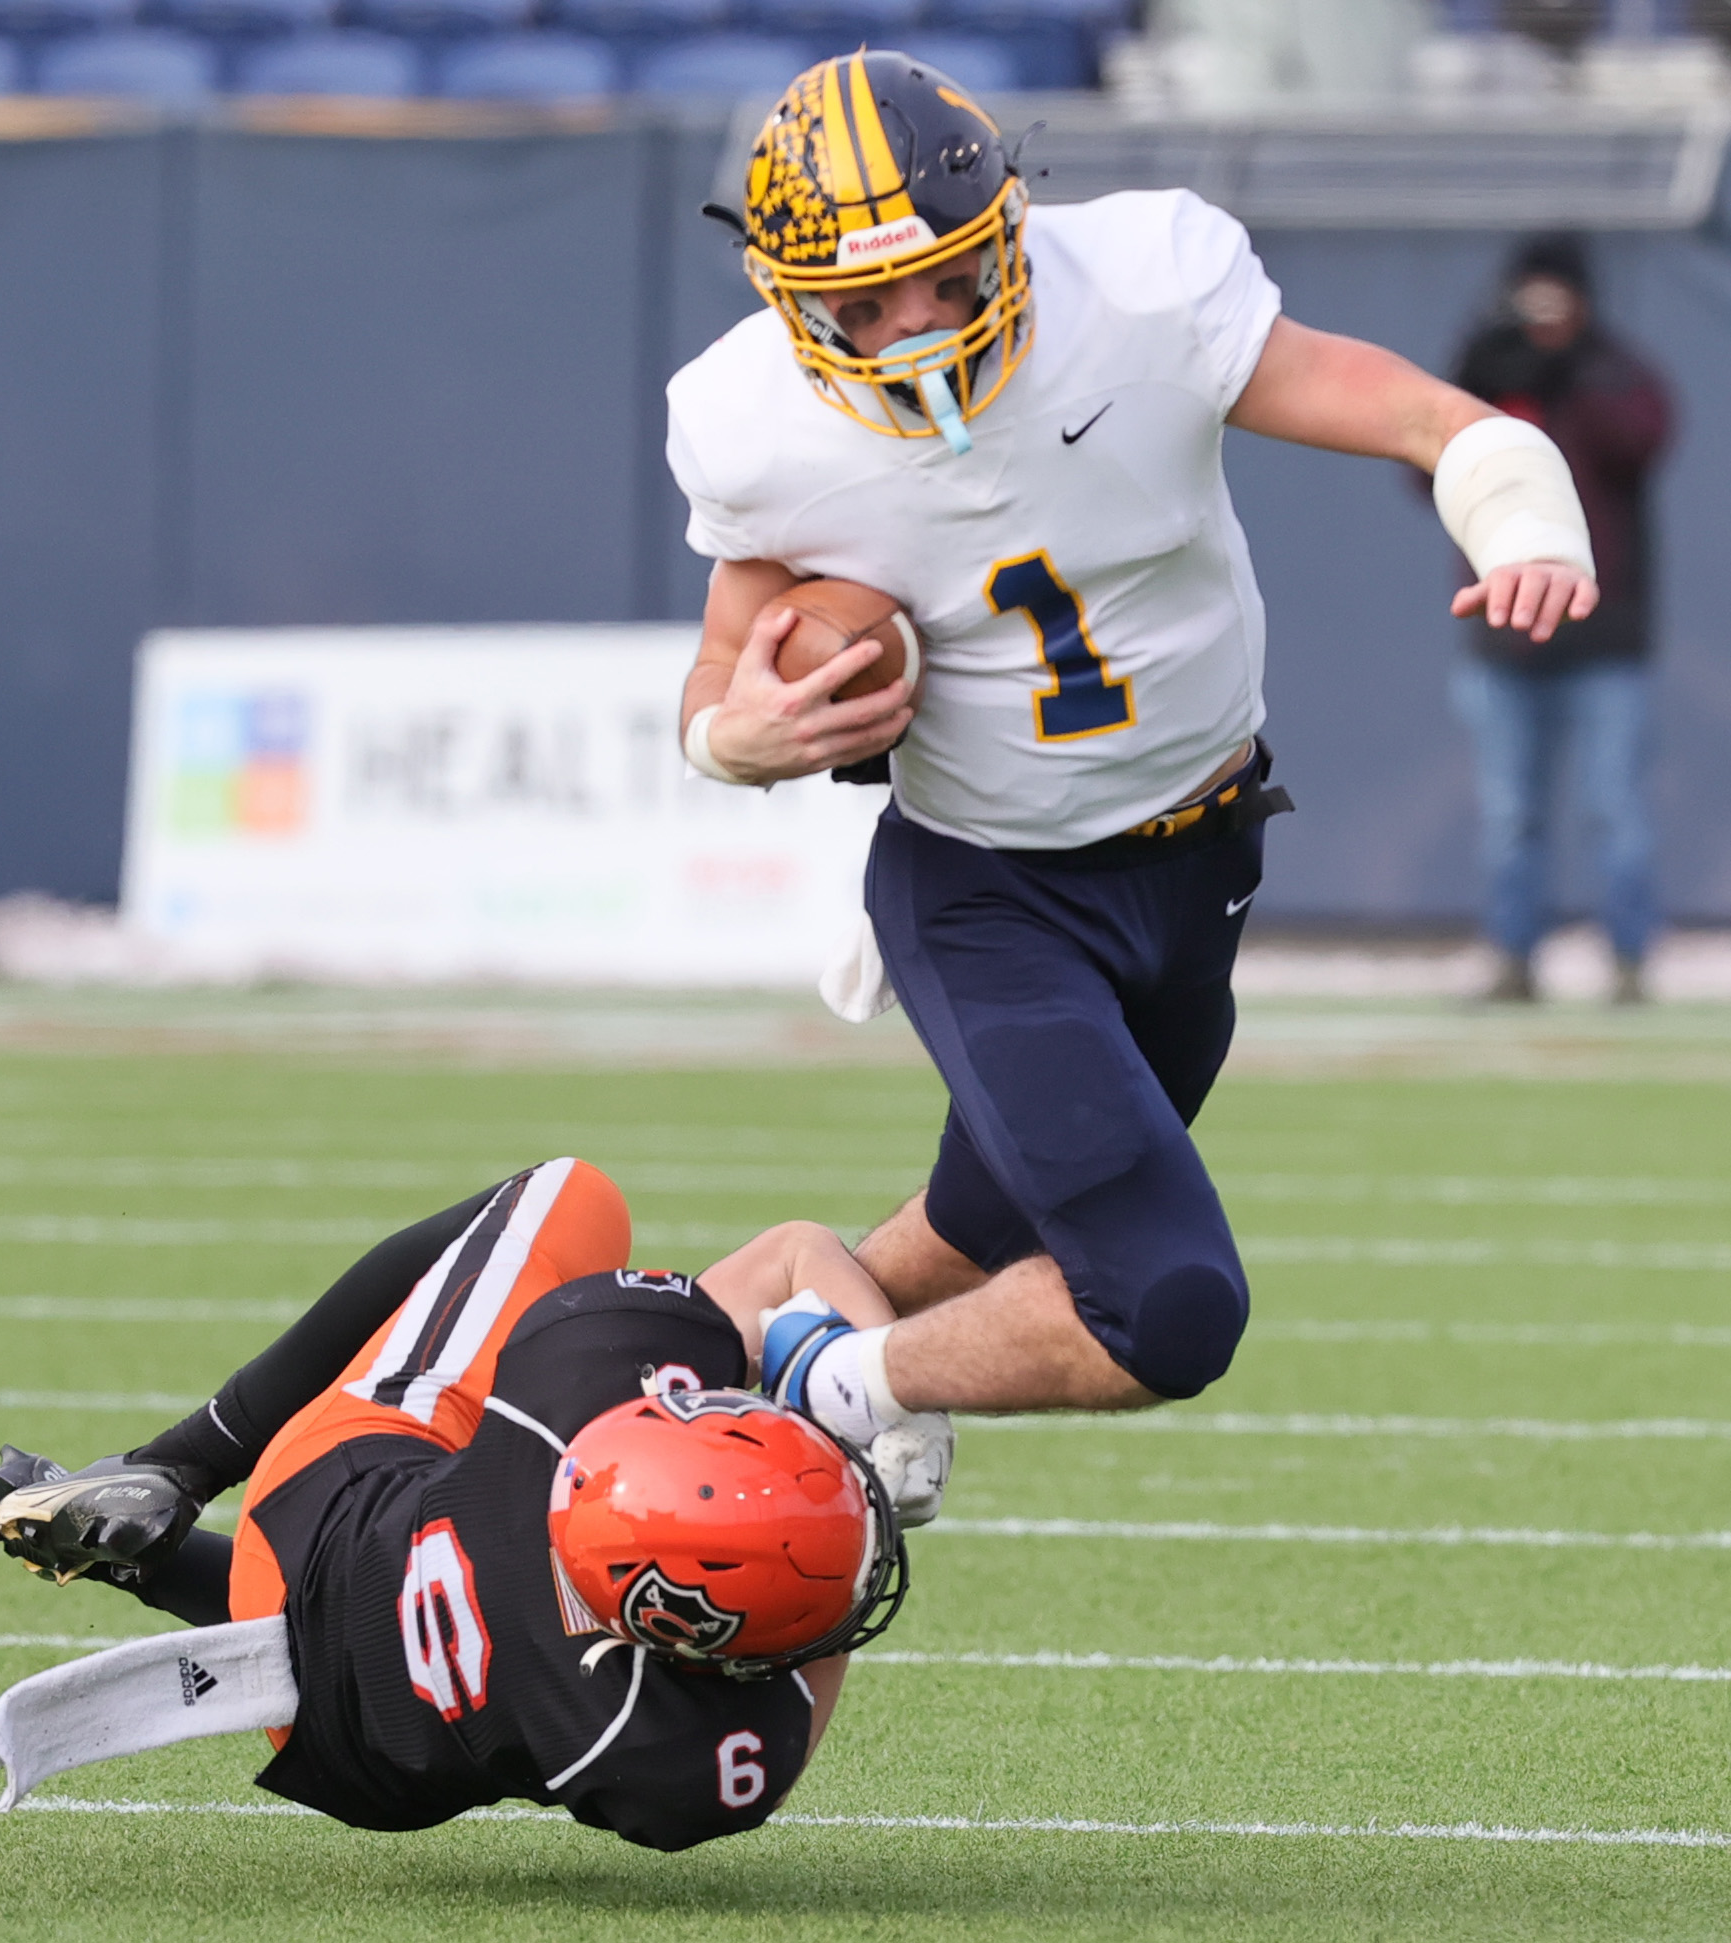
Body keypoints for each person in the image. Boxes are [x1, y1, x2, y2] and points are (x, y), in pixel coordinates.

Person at [667, 51, 1599, 1442]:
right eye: (866, 306)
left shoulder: (1144, 292)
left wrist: (1524, 522)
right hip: (990, 887)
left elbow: (1425, 416)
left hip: (1202, 855)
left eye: (949, 278)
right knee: (1160, 1300)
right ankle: (823, 1387)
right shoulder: (753, 423)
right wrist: (734, 739)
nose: (919, 329)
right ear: (793, 302)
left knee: (972, 1230)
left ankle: (657, 1346)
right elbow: (717, 667)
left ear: (1011, 229)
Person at [0, 1159, 917, 1847]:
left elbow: (793, 1253)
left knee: (567, 1195)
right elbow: (815, 1626)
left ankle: (179, 1464)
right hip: (351, 1758)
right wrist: (858, 1503)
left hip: (303, 1523)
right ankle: (152, 1558)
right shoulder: (679, 1766)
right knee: (418, 1632)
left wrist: (867, 1394)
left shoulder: (575, 1382)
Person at [1448, 234, 1671, 1004]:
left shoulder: (1611, 367)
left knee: (1614, 807)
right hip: (1505, 635)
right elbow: (1426, 477)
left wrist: (1570, 375)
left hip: (1602, 631)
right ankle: (1513, 958)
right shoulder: (1487, 372)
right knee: (1511, 813)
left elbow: (1643, 439)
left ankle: (1630, 960)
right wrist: (1484, 375)